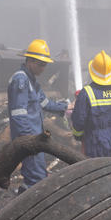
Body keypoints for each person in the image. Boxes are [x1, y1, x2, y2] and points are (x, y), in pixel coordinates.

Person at [9, 39, 70, 191]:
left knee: (37, 176)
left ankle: (26, 199)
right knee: (36, 179)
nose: (43, 68)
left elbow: (45, 103)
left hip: (35, 137)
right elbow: (18, 114)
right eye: (41, 64)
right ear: (29, 60)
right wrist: (29, 141)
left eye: (45, 64)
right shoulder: (21, 80)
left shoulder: (32, 81)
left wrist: (66, 107)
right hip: (29, 138)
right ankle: (30, 208)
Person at [71, 50, 111, 157]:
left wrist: (78, 136)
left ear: (92, 71)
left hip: (94, 141)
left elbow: (78, 121)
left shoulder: (86, 93)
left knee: (95, 171)